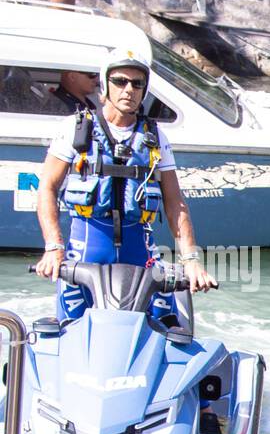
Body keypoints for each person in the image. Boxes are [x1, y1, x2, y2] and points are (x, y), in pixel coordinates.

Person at [34, 48, 215, 336]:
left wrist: (190, 261)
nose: (128, 89)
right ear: (105, 86)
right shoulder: (75, 128)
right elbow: (48, 187)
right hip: (86, 246)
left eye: (137, 83)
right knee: (72, 328)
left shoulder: (155, 137)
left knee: (165, 326)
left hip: (139, 245)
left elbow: (174, 202)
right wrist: (53, 248)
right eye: (120, 81)